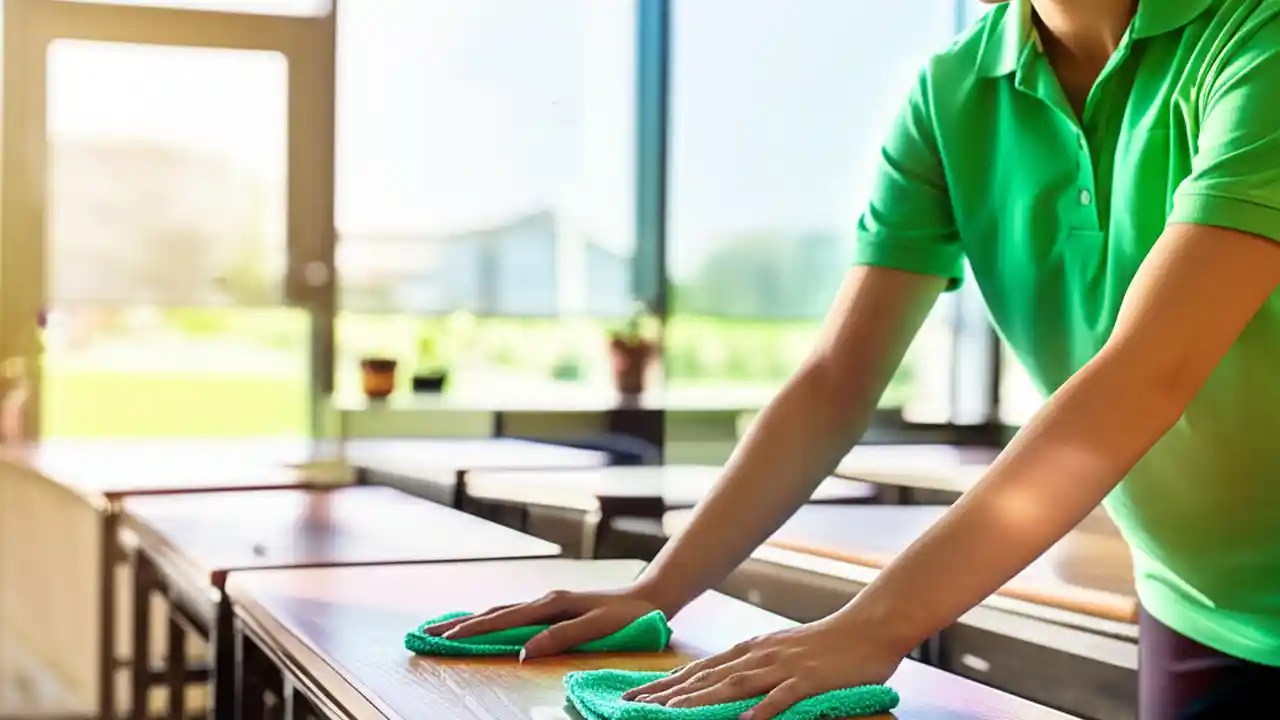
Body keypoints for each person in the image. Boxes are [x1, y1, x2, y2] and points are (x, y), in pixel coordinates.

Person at [428, 0, 1280, 716]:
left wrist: (876, 626)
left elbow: (1147, 373)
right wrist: (657, 591)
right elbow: (837, 380)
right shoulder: (954, 92)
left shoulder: (1256, 37)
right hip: (1194, 608)